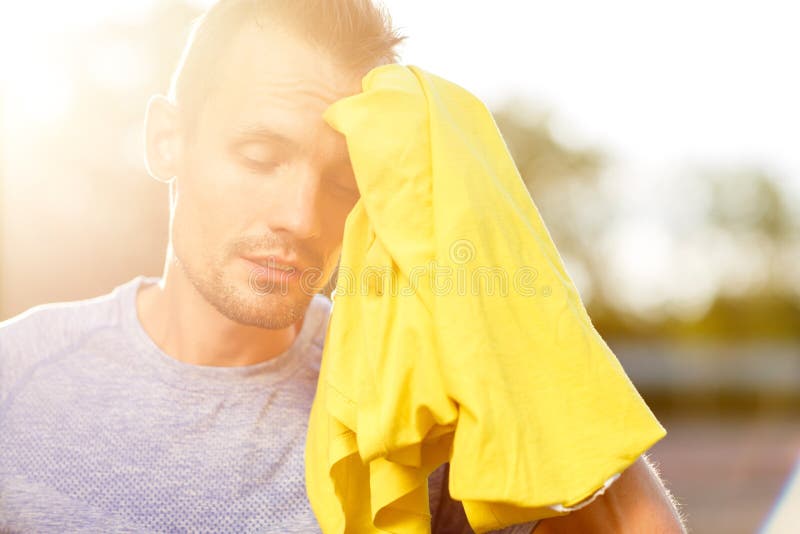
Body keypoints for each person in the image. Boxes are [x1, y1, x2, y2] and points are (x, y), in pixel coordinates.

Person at [0, 0, 686, 532]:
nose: (301, 219)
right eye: (262, 157)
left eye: (344, 183)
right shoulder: (16, 383)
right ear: (167, 143)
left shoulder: (405, 404)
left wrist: (515, 304)